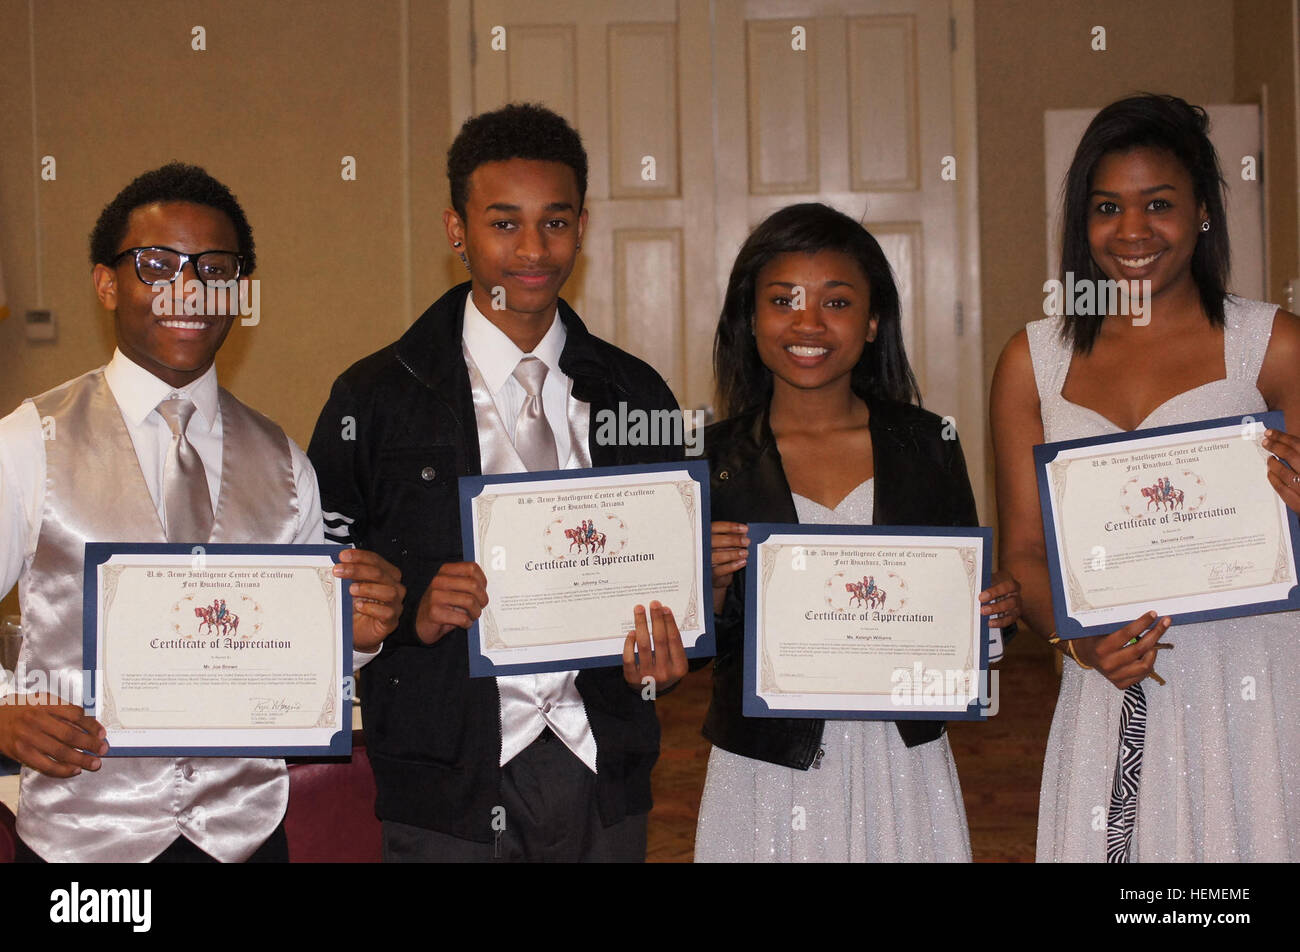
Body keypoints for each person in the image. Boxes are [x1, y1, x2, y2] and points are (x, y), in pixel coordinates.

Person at [308, 103, 688, 862]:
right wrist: (410, 614)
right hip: (443, 774)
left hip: (601, 763)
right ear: (457, 231)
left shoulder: (636, 394)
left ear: (583, 226)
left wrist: (668, 660)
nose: (533, 249)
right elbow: (316, 581)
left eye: (555, 222)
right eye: (504, 223)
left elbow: (676, 588)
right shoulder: (374, 397)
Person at [0, 163, 405, 862]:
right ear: (106, 283)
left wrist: (358, 636)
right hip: (84, 843)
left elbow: (298, 660)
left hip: (244, 837)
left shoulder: (286, 465)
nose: (188, 289)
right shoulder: (29, 442)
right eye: (156, 265)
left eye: (215, 269)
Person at [990, 93, 1300, 861]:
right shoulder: (1034, 362)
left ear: (1203, 211)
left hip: (1256, 678)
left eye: (1158, 203)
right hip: (1110, 677)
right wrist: (1082, 644)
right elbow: (1025, 555)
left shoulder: (1274, 346)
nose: (1133, 230)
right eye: (1108, 207)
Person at [698, 202, 1021, 862]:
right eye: (783, 300)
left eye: (837, 302)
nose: (808, 322)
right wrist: (709, 586)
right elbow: (701, 649)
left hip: (899, 757)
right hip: (765, 764)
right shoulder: (712, 459)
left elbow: (970, 617)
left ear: (873, 322)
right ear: (749, 319)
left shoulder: (928, 444)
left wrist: (996, 611)